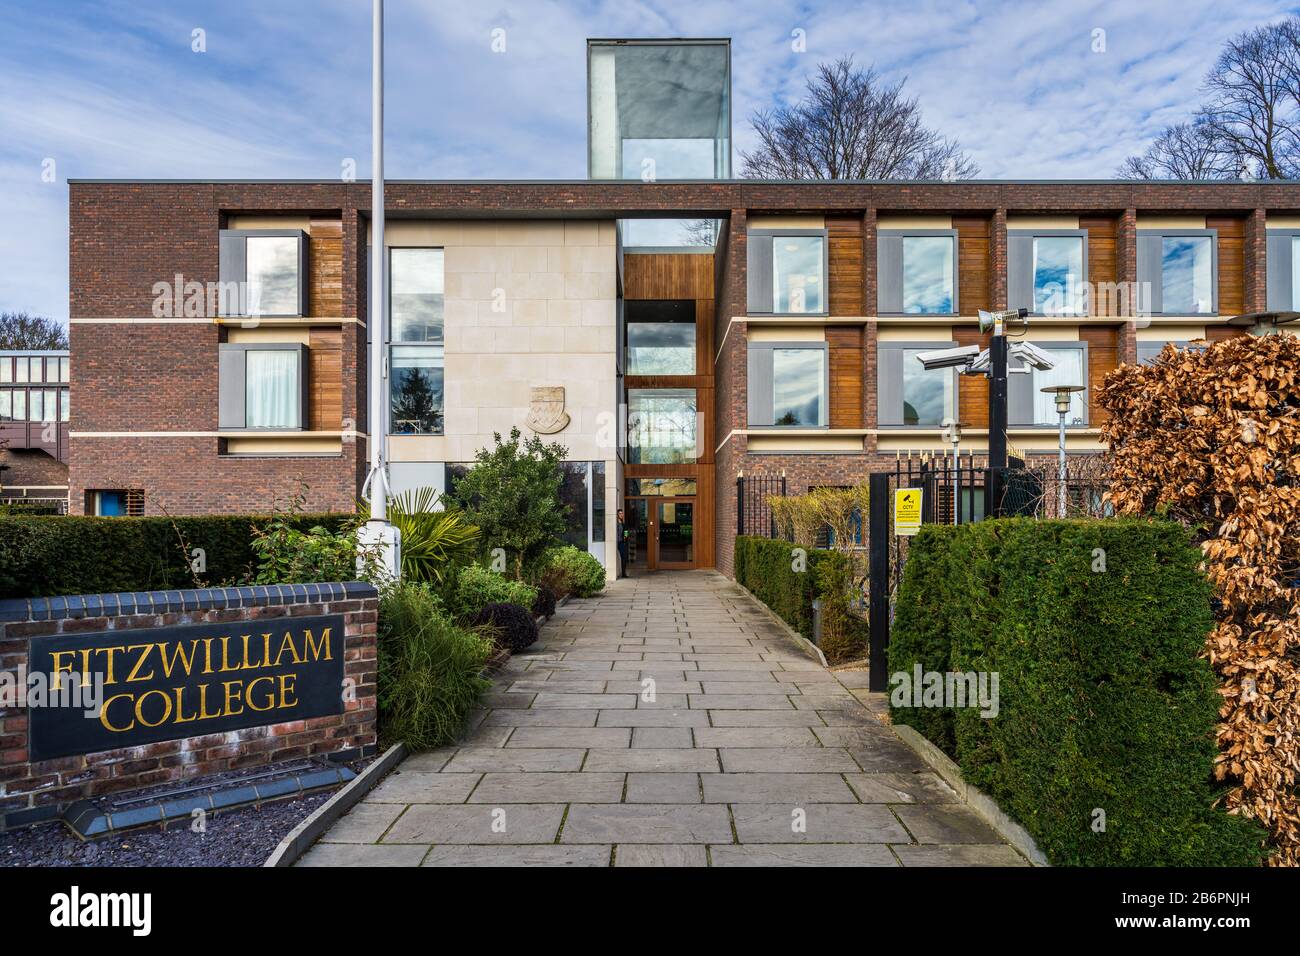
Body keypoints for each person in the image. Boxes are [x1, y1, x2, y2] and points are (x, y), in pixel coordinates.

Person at [616, 508, 627, 578]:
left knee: (624, 557)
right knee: (622, 557)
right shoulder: (616, 523)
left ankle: (623, 573)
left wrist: (625, 538)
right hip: (617, 542)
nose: (621, 515)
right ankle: (622, 573)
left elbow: (626, 531)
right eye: (620, 513)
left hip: (622, 542)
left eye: (622, 513)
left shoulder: (623, 523)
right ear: (617, 515)